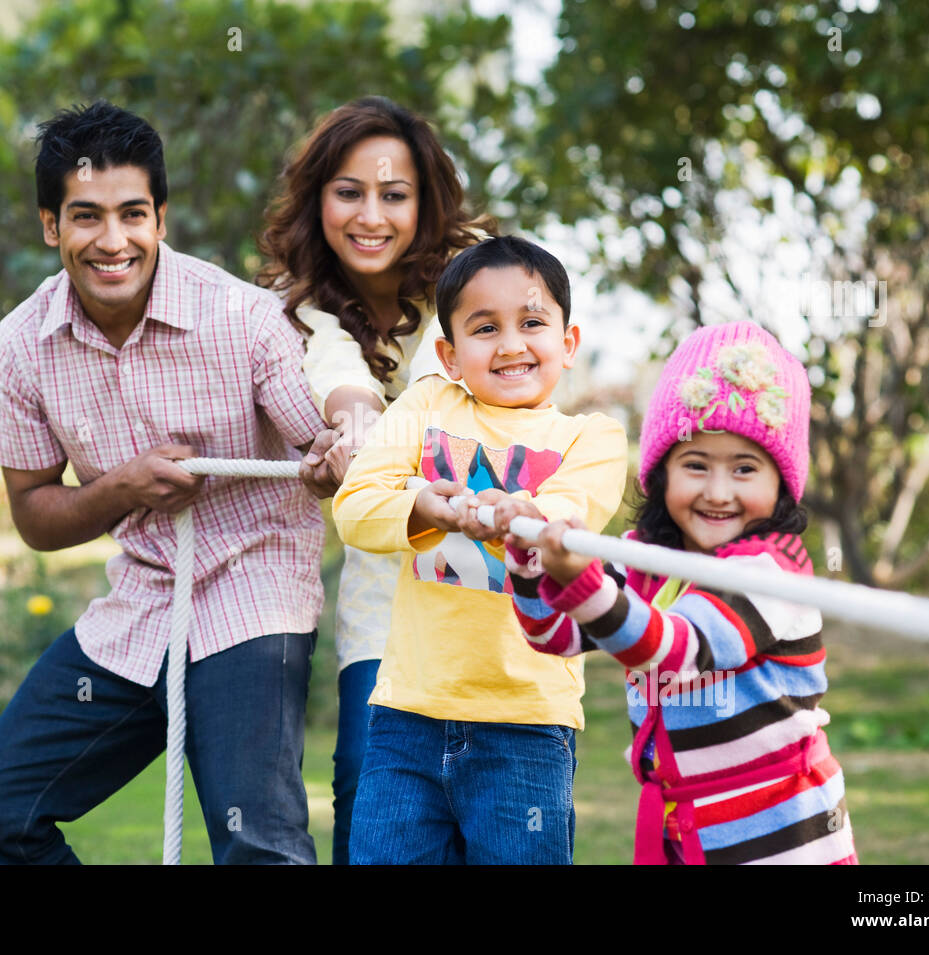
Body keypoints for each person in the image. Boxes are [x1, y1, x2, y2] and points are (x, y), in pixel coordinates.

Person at [0, 100, 336, 865]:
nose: (113, 240)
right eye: (86, 216)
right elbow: (35, 514)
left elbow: (322, 447)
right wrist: (123, 487)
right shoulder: (24, 345)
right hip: (140, 606)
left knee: (256, 842)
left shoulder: (243, 319)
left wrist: (334, 456)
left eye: (133, 213)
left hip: (252, 594)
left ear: (160, 217)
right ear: (50, 225)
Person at [505, 320, 859, 865]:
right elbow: (553, 633)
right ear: (663, 472)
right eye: (696, 465)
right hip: (684, 833)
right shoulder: (651, 560)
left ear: (781, 481)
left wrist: (582, 579)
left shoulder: (770, 572)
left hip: (781, 839)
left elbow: (672, 650)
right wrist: (531, 560)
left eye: (745, 468)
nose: (718, 493)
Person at [332, 236, 628, 864]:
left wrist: (519, 515)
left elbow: (572, 511)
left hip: (526, 722)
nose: (512, 344)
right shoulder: (427, 404)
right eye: (485, 327)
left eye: (532, 323)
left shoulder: (591, 437)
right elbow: (356, 504)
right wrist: (427, 507)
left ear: (567, 343)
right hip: (406, 715)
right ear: (449, 353)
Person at [256, 96, 492, 864]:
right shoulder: (293, 311)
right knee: (367, 795)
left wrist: (373, 440)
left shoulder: (483, 281)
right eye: (349, 191)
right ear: (318, 197)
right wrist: (353, 422)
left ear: (425, 204)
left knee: (489, 808)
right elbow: (336, 371)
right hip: (383, 600)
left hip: (486, 593)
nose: (371, 214)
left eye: (395, 194)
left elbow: (445, 387)